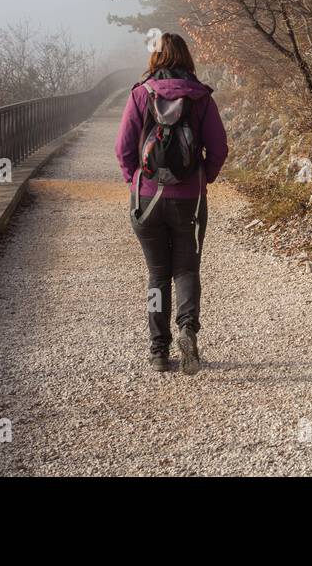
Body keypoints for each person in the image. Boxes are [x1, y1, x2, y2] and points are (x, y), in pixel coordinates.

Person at [115, 33, 228, 374]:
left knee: (157, 275)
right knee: (187, 270)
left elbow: (123, 149)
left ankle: (158, 350)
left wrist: (137, 182)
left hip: (146, 201)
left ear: (156, 58)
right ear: (186, 57)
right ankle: (188, 330)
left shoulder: (140, 94)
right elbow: (219, 148)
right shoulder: (202, 98)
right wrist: (202, 178)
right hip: (189, 201)